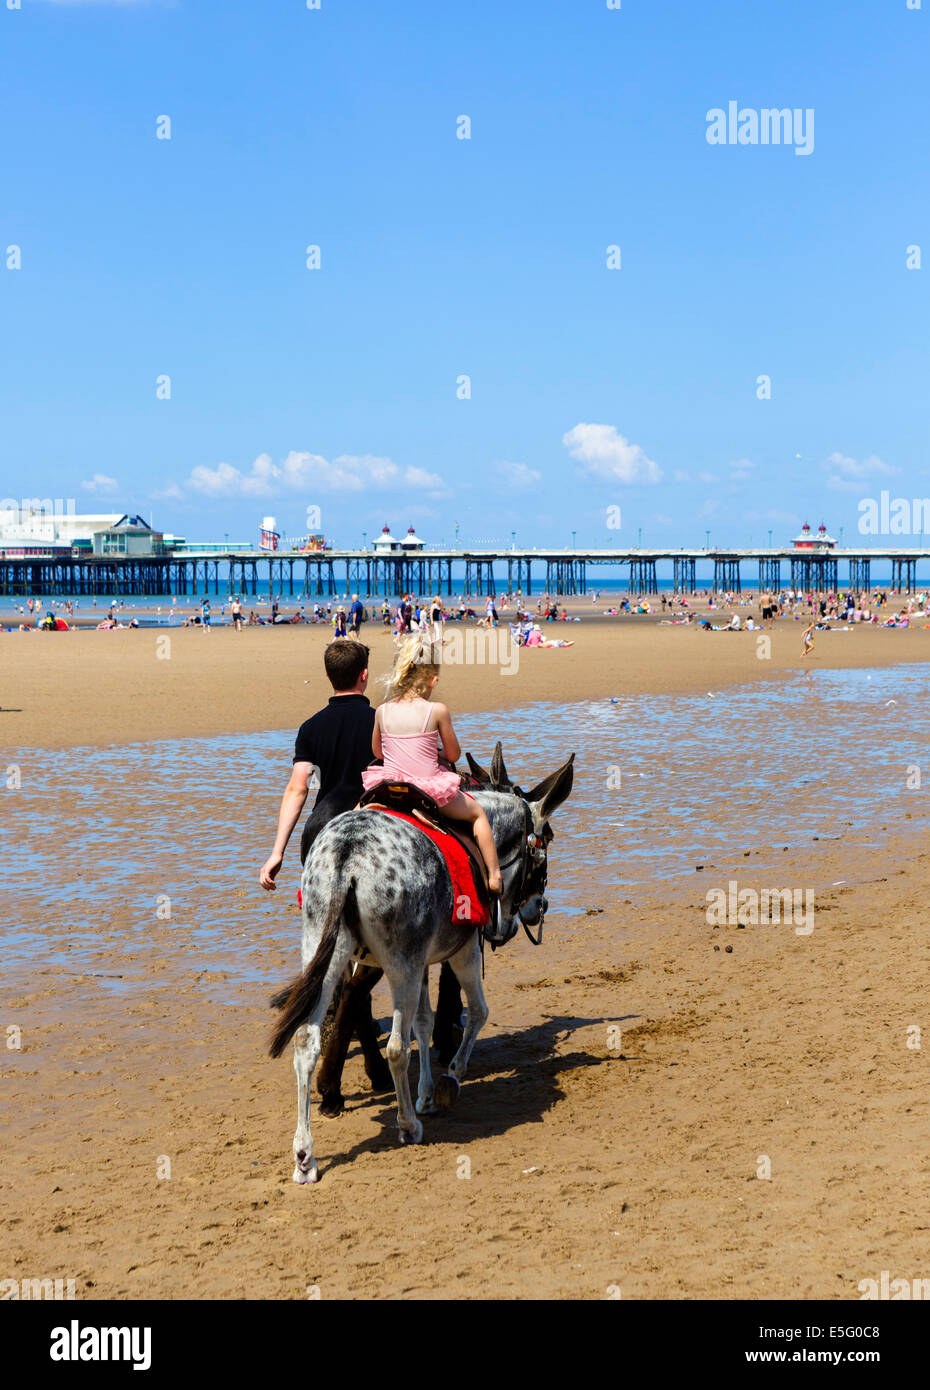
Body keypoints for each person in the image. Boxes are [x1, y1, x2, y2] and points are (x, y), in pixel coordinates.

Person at [361, 634, 502, 894]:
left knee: (356, 815)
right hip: (425, 791)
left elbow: (376, 750)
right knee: (477, 813)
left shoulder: (382, 710)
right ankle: (494, 877)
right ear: (432, 679)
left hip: (388, 787)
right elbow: (453, 755)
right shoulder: (436, 710)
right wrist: (434, 753)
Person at [259, 640, 375, 890]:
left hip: (322, 826)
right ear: (363, 675)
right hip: (370, 816)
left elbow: (298, 789)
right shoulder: (380, 721)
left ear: (327, 675)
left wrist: (277, 852)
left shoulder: (310, 728)